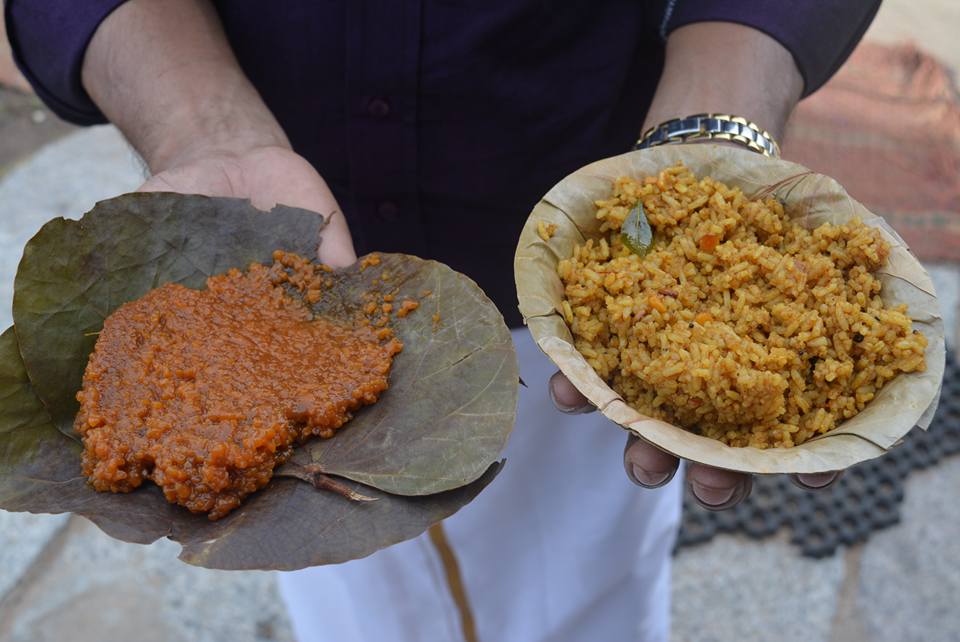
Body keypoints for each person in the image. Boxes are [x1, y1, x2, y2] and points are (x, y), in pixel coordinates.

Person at [6, 1, 879, 639]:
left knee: (579, 586)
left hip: (589, 269)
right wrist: (199, 125)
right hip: (264, 224)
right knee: (359, 613)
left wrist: (708, 126)